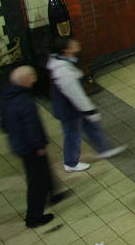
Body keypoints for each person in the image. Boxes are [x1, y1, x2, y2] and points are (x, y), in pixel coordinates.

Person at [0, 66, 72, 228]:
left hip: (19, 144)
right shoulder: (25, 101)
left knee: (44, 170)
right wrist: (39, 146)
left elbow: (3, 124)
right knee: (36, 180)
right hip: (30, 147)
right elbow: (32, 127)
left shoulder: (6, 96)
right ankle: (33, 217)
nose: (34, 77)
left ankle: (53, 194)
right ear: (24, 80)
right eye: (32, 75)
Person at [47, 37, 125, 172]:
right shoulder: (63, 71)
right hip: (69, 109)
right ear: (66, 50)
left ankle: (104, 149)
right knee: (73, 134)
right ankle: (71, 163)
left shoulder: (62, 62)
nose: (77, 43)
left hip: (71, 107)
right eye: (73, 44)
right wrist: (89, 111)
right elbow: (76, 95)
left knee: (90, 126)